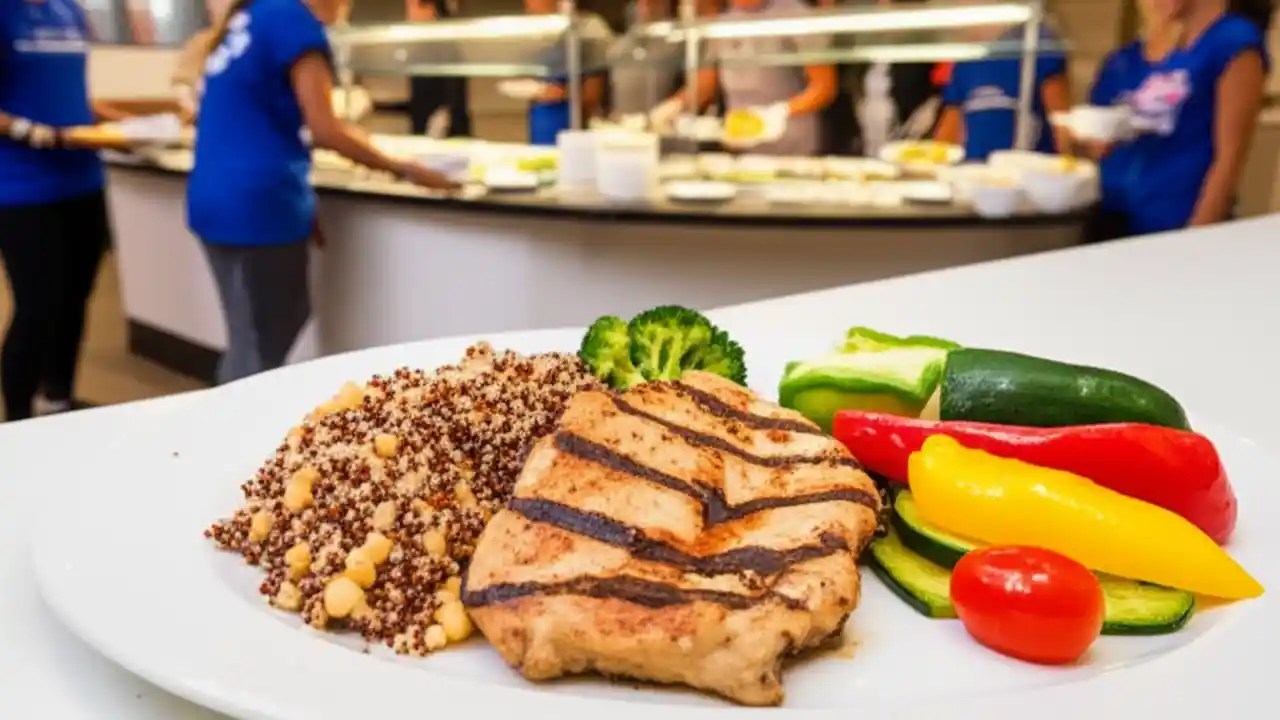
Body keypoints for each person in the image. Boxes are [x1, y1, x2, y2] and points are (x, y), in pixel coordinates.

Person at [188, 0, 457, 385]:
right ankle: (231, 432)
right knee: (258, 350)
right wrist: (407, 169)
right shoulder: (293, 21)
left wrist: (301, 205)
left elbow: (255, 119)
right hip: (257, 203)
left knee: (255, 332)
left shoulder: (254, 15)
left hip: (218, 195)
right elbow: (325, 128)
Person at [0, 0, 127, 420]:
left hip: (83, 181)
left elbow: (71, 95)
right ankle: (17, 422)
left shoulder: (67, 10)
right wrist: (30, 131)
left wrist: (122, 124)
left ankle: (58, 398)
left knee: (75, 298)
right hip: (22, 187)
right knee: (37, 304)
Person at [1082, 0, 1269, 236]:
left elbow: (1230, 158)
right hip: (1115, 217)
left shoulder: (1232, 42)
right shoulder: (1155, 52)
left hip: (1175, 222)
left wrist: (1197, 235)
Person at [654, 0, 838, 156]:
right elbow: (705, 85)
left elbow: (824, 87)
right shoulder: (723, 23)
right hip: (741, 147)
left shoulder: (795, 15)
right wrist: (675, 105)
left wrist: (781, 111)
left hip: (792, 149)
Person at [934, 16, 1071, 160]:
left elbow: (1061, 122)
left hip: (1031, 175)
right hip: (974, 173)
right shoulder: (965, 61)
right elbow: (949, 132)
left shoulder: (1037, 38)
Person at [519, 0, 607, 145]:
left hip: (573, 129)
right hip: (540, 126)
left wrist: (560, 93)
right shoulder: (537, 33)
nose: (527, 4)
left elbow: (593, 93)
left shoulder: (587, 29)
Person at [405, 0, 472, 138]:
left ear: (430, 8)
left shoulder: (446, 46)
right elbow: (417, 104)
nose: (408, 15)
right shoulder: (418, 50)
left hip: (449, 140)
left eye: (412, 7)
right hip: (423, 138)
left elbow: (453, 102)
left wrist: (442, 119)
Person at [610, 0, 682, 118]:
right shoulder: (619, 47)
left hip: (664, 124)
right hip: (622, 126)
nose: (644, 6)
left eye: (652, 3)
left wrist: (671, 107)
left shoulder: (677, 42)